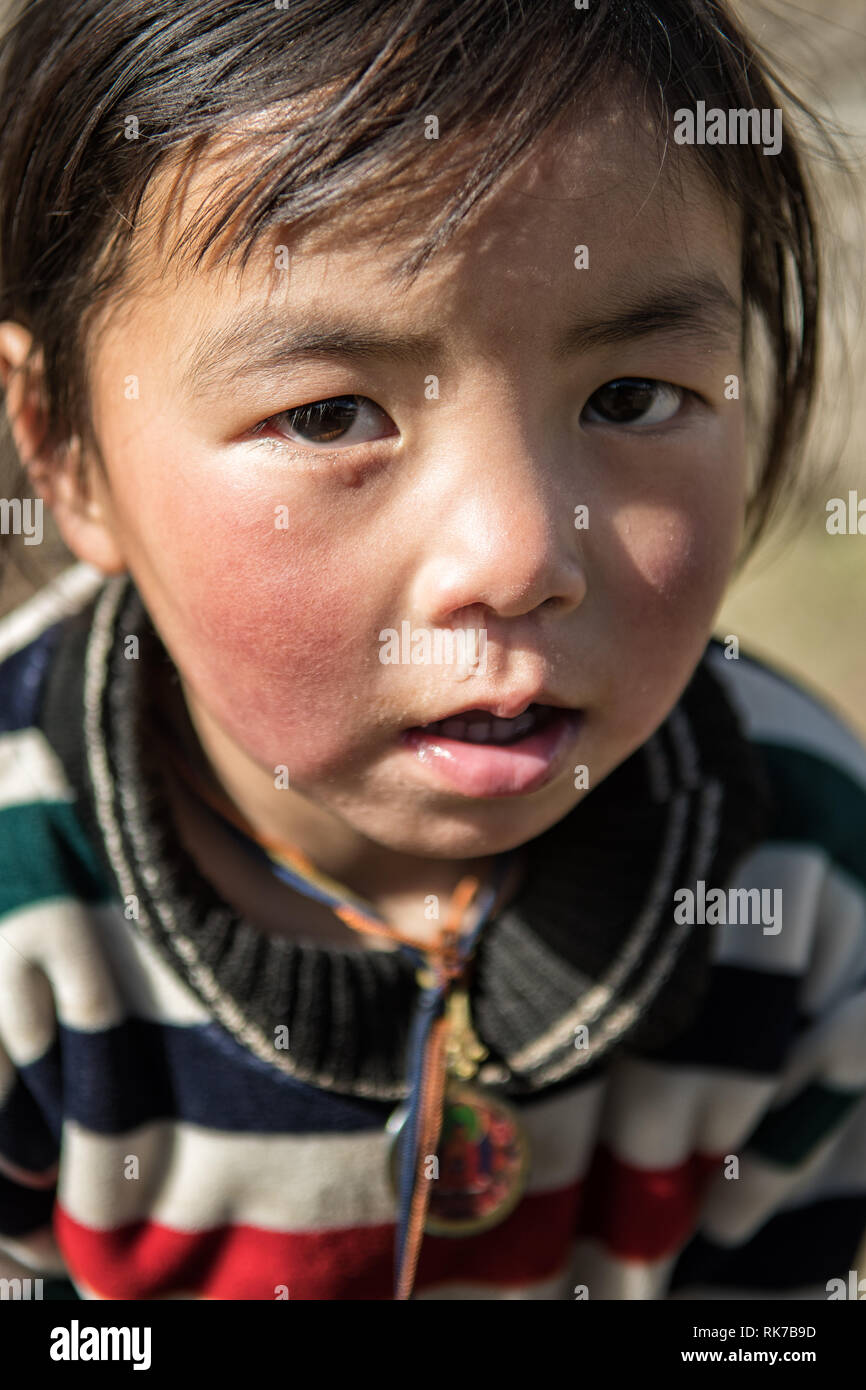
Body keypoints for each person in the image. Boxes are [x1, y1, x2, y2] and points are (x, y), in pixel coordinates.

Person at [0, 0, 864, 1302]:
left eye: (629, 397)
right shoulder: (23, 918)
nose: (519, 556)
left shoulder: (802, 883)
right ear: (65, 449)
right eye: (331, 412)